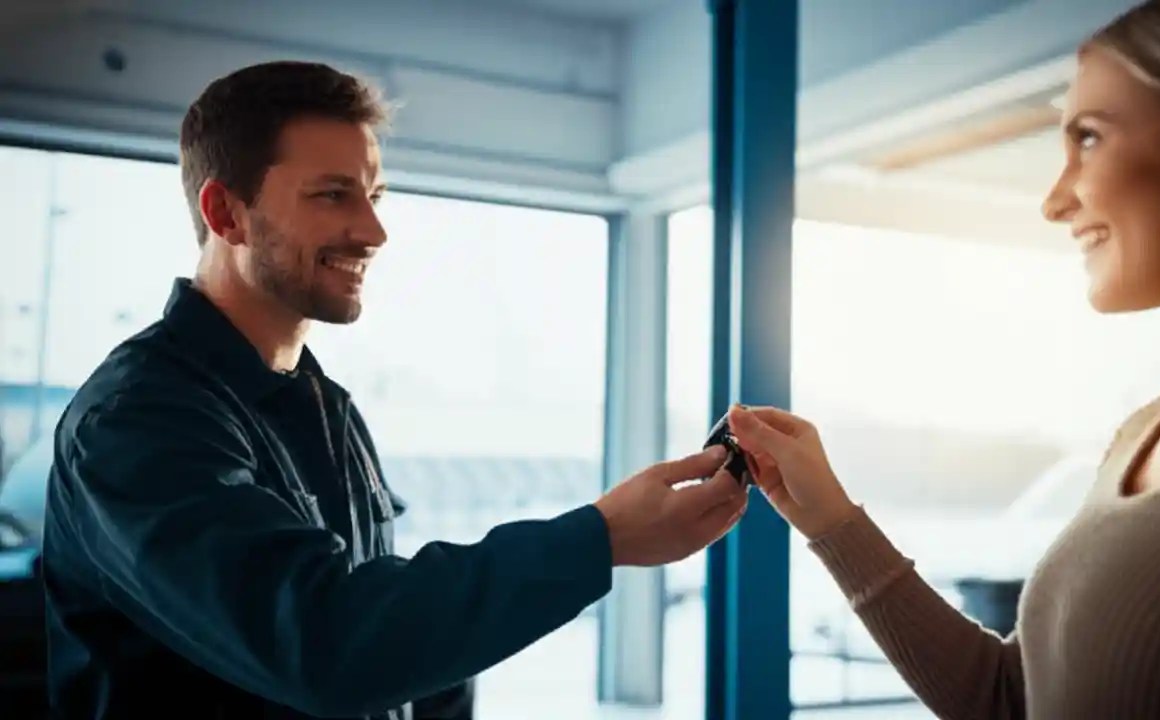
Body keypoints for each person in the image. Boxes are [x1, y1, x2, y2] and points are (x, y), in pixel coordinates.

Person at [40, 61, 748, 720]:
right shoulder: (137, 418)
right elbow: (325, 643)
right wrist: (601, 539)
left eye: (373, 195)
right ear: (226, 214)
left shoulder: (326, 408)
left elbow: (394, 633)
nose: (374, 230)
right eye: (333, 194)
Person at [725, 2, 1160, 719]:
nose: (1053, 202)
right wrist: (829, 518)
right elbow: (1011, 699)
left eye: (1089, 137)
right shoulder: (1151, 427)